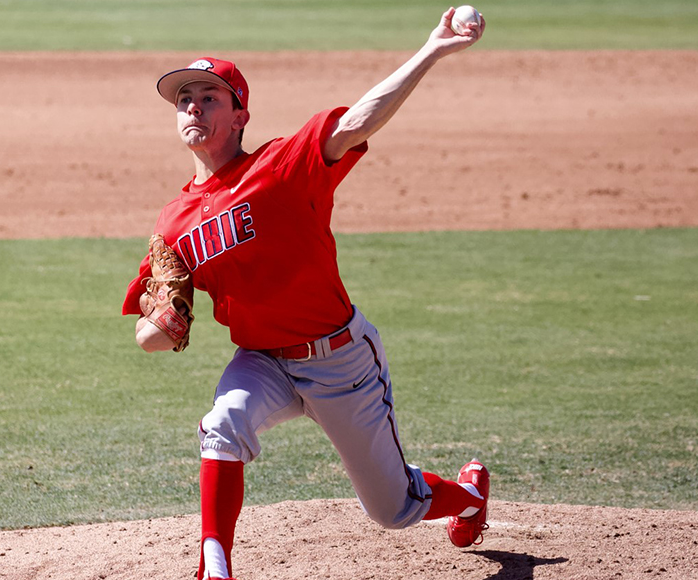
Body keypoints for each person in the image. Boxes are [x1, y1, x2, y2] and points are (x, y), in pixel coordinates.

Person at [123, 8, 489, 580]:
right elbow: (147, 332)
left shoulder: (281, 165)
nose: (192, 106)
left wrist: (431, 50)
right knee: (222, 424)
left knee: (394, 510)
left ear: (240, 112)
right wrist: (162, 327)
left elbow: (360, 119)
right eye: (183, 99)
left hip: (339, 358)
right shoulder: (173, 223)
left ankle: (468, 497)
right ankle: (213, 566)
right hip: (261, 360)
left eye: (209, 97)